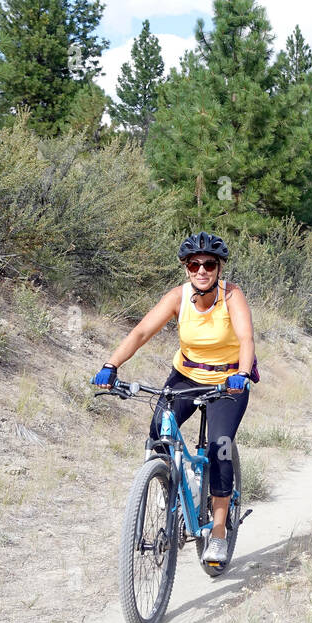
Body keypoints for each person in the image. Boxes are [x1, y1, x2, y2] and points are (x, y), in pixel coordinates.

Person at [91, 232, 255, 565]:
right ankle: (173, 489)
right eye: (194, 265)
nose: (202, 270)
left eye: (209, 264)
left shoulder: (232, 296)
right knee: (158, 433)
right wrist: (112, 364)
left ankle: (220, 531)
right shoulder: (177, 298)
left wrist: (243, 372)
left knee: (220, 445)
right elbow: (140, 332)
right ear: (186, 268)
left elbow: (246, 338)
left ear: (219, 268)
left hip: (228, 382)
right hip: (187, 376)